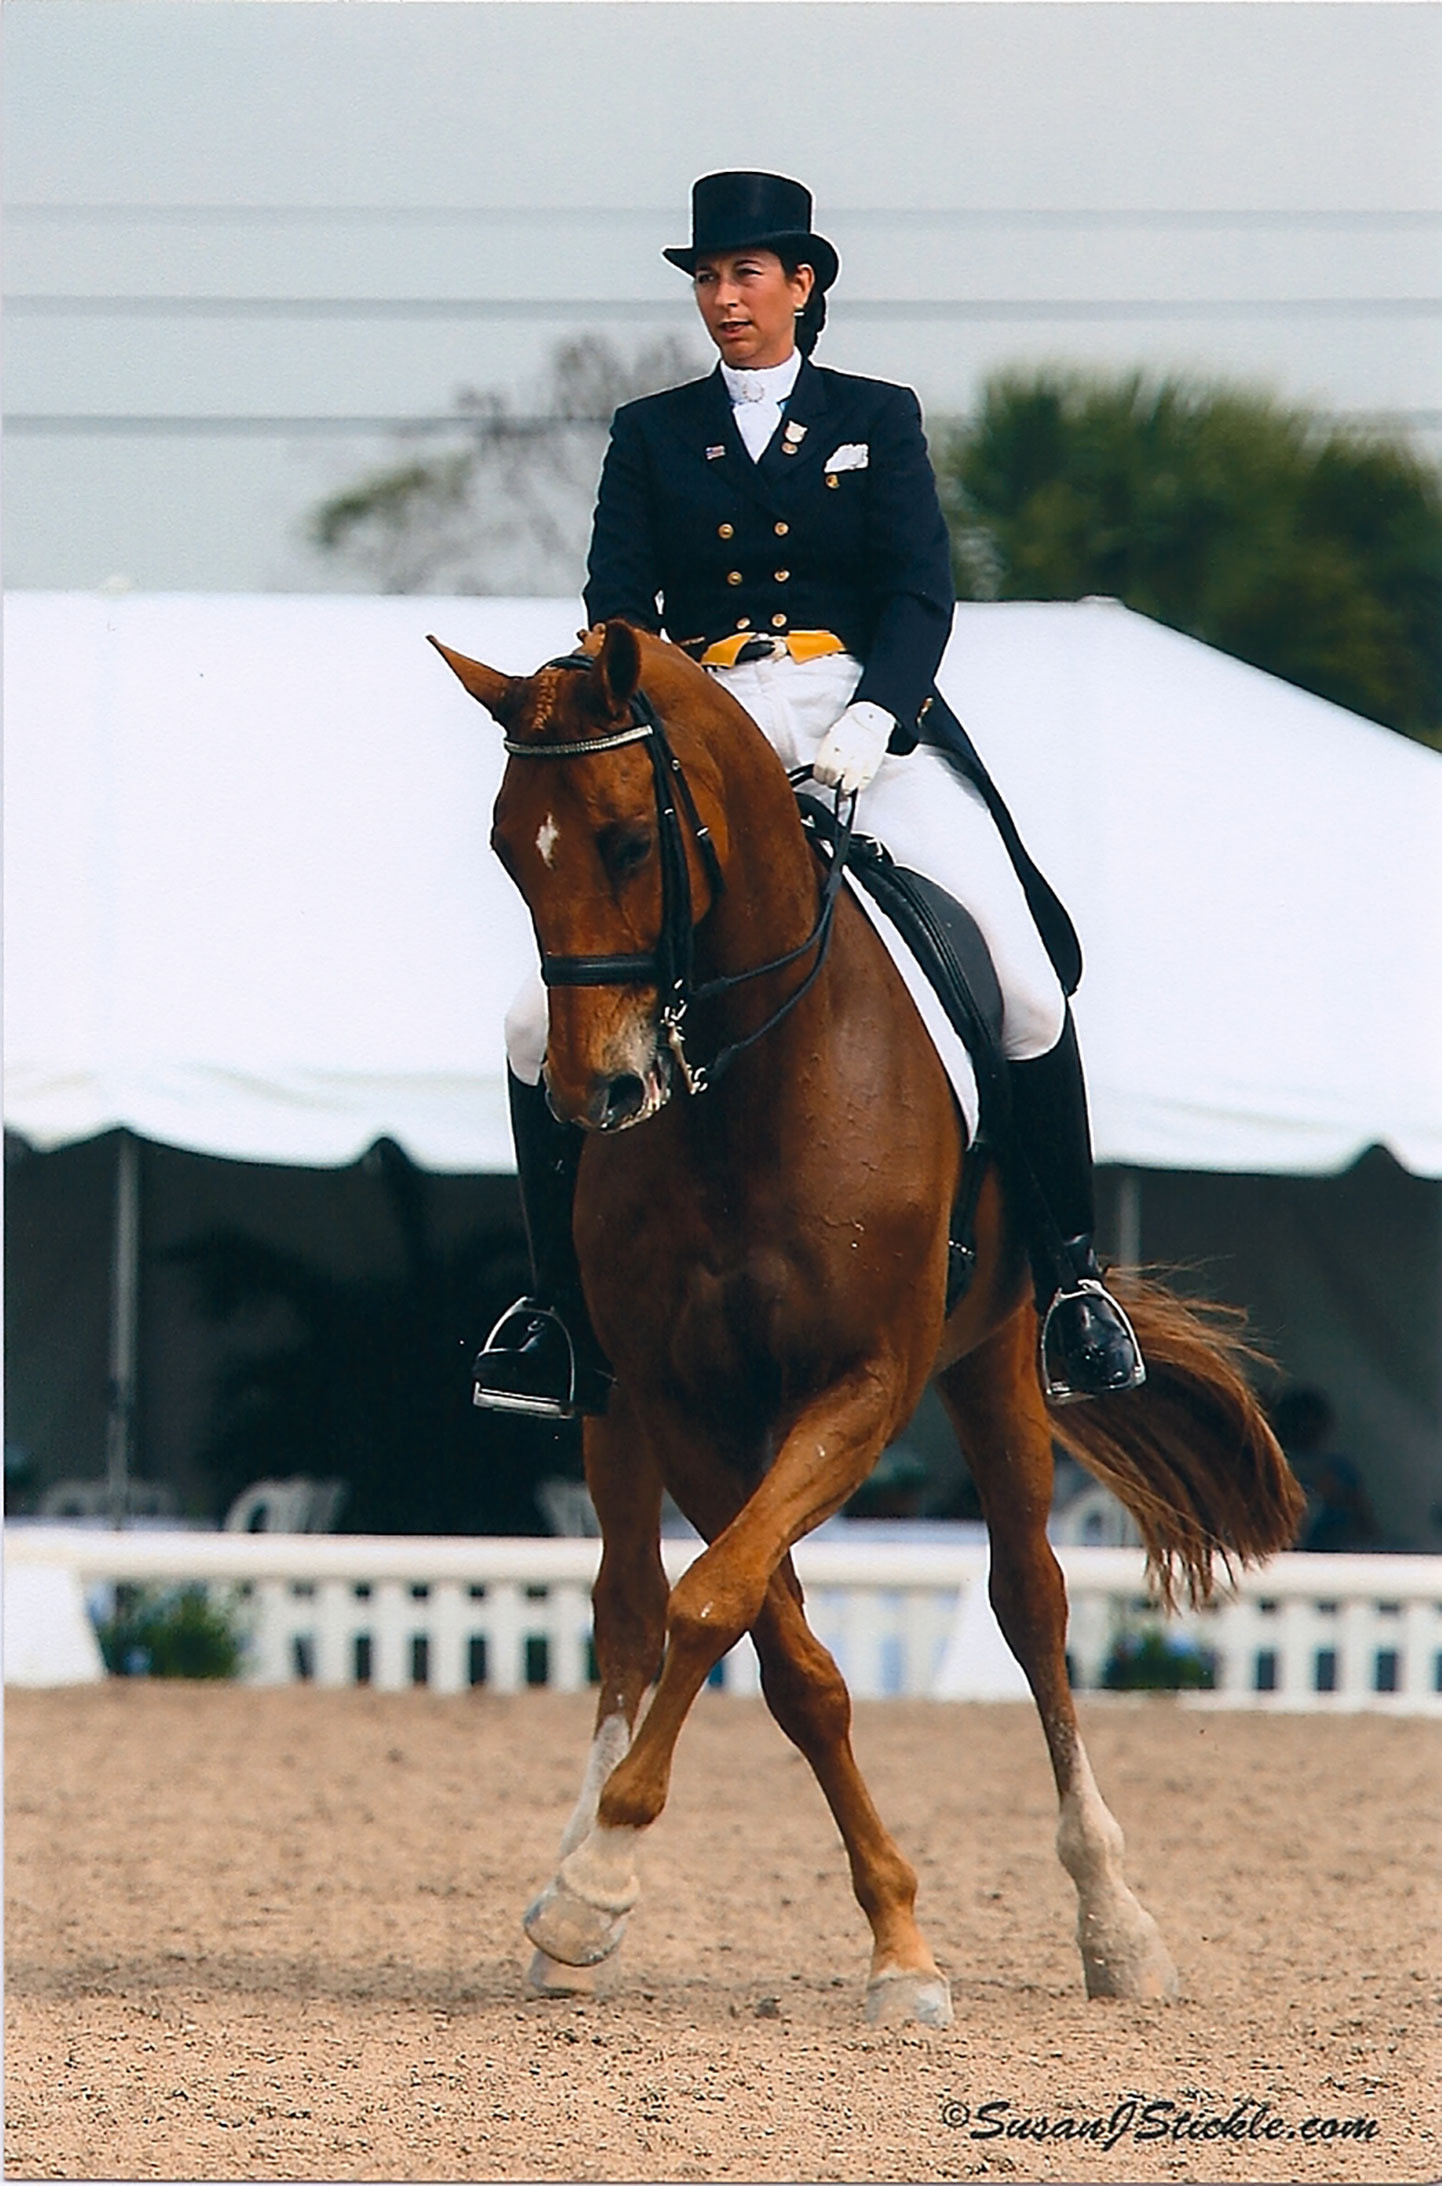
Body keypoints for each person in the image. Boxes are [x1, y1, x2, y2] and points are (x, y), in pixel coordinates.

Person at [472, 170, 1144, 1419]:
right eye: (706, 279)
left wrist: (876, 718)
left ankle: (1069, 1284)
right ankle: (554, 1312)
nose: (722, 298)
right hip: (699, 721)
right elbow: (620, 606)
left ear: (801, 285)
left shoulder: (873, 417)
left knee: (1025, 988)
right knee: (528, 1026)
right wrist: (642, 715)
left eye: (744, 276)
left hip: (860, 715)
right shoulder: (651, 432)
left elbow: (918, 591)